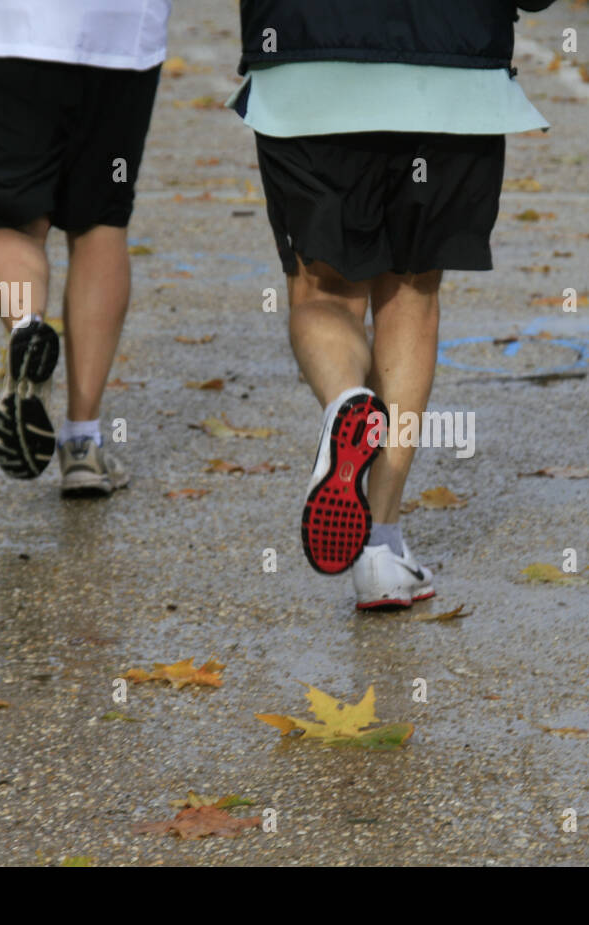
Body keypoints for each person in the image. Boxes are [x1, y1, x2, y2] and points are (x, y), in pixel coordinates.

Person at [230, 0, 557, 609]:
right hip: (453, 66)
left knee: (323, 287)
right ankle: (379, 547)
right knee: (412, 290)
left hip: (308, 59)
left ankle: (345, 403)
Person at [0, 0, 171, 496]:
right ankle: (83, 446)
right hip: (119, 36)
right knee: (100, 223)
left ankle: (28, 329)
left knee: (11, 223)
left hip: (4, 31)